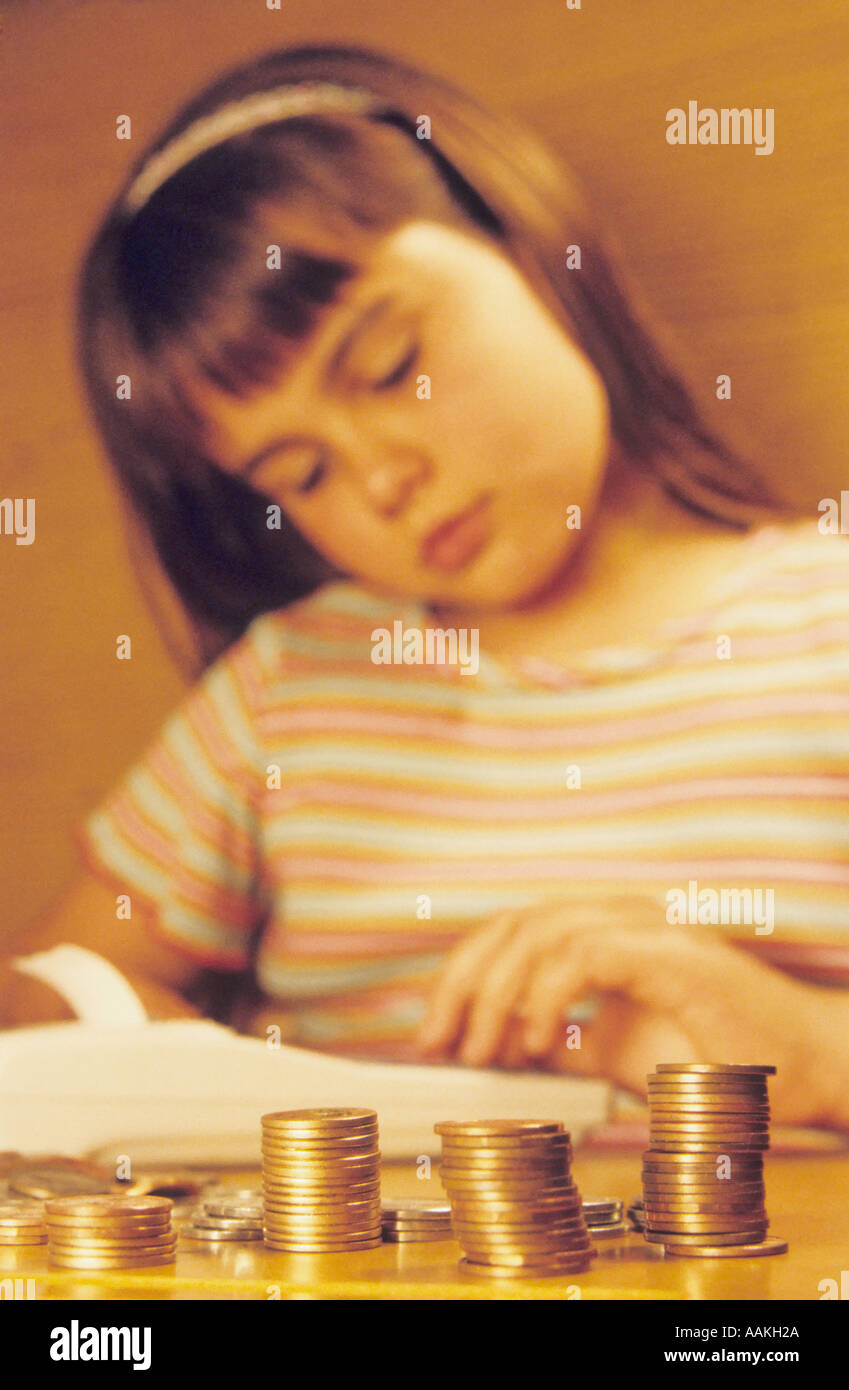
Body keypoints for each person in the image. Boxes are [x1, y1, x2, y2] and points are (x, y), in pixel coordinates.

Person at [3, 43, 848, 1133]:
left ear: (531, 247)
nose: (385, 479)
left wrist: (812, 1047)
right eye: (301, 474)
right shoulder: (290, 689)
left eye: (396, 363)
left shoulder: (825, 628)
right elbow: (53, 989)